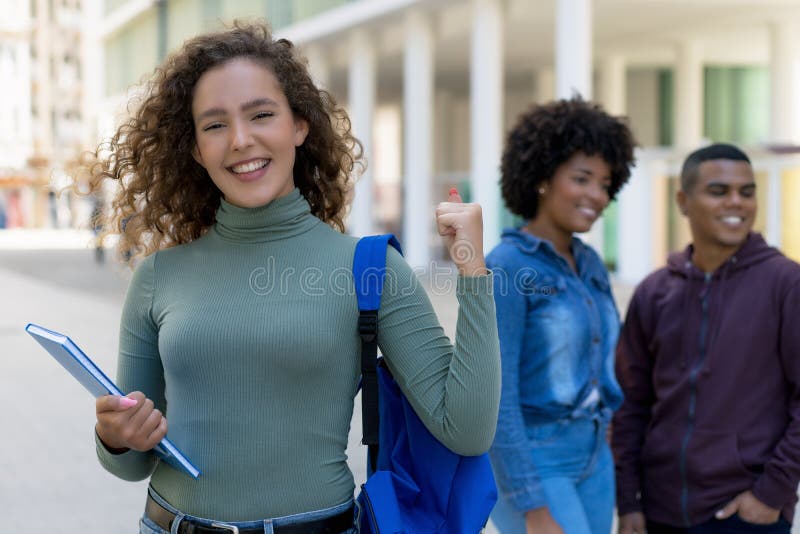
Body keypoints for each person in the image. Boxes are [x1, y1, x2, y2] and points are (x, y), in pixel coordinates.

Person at [83, 22, 500, 533]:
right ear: (194, 148)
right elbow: (132, 464)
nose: (240, 140)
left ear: (299, 125)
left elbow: (468, 429)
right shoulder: (158, 276)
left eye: (261, 115)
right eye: (214, 125)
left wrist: (472, 271)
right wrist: (117, 437)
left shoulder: (368, 269)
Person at [612, 143, 800, 533]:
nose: (737, 203)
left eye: (747, 192)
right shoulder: (654, 291)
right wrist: (628, 500)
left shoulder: (785, 284)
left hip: (745, 513)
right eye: (719, 191)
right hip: (660, 512)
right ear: (683, 201)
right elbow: (631, 403)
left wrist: (772, 493)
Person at [485, 97, 637, 534]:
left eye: (606, 184)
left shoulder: (589, 264)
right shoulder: (508, 266)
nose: (597, 196)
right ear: (542, 178)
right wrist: (530, 503)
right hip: (536, 458)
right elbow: (498, 397)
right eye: (582, 179)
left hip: (593, 457)